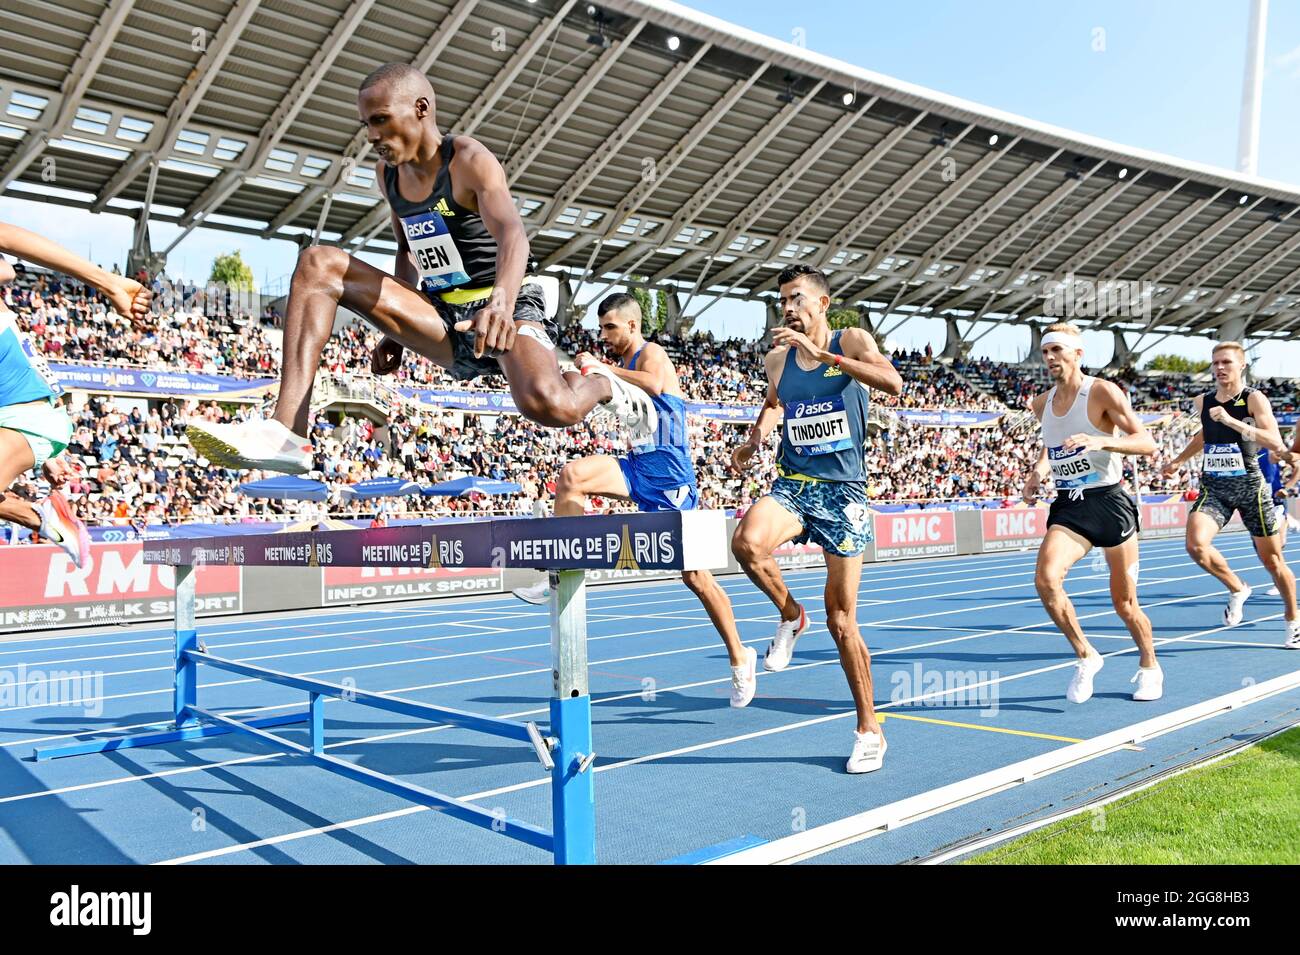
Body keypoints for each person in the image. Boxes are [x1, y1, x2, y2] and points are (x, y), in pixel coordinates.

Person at [184, 62, 656, 474]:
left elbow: (514, 234)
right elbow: (408, 250)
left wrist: (501, 304)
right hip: (442, 314)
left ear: (422, 109)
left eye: (382, 121)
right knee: (317, 263)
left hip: (504, 309)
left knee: (551, 406)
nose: (372, 136)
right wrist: (393, 331)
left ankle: (601, 383)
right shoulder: (388, 174)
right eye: (367, 124)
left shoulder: (468, 160)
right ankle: (287, 433)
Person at [511, 293, 755, 706]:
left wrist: (602, 370)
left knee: (694, 578)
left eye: (610, 327)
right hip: (635, 468)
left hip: (670, 480)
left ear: (632, 326)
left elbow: (656, 385)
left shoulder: (651, 353)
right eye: (601, 328)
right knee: (571, 477)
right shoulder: (619, 366)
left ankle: (738, 656)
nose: (604, 335)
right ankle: (557, 574)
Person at [729, 264, 902, 773]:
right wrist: (755, 437)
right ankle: (789, 613)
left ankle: (869, 729)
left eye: (797, 298)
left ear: (823, 304)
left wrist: (827, 357)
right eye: (782, 300)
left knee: (843, 622)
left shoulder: (851, 339)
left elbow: (892, 382)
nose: (788, 308)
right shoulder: (778, 360)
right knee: (746, 543)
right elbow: (773, 404)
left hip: (844, 493)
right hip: (794, 483)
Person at [1021, 323, 1162, 703]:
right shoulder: (1041, 403)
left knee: (1125, 604)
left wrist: (1100, 439)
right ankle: (1086, 655)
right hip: (1070, 505)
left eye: (1056, 351)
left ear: (1078, 354)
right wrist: (1038, 472)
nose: (1049, 358)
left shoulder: (1100, 391)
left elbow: (1146, 442)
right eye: (1045, 351)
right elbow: (1054, 444)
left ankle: (1149, 664)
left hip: (1110, 503)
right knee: (1047, 580)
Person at [0, 224, 150, 567]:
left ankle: (40, 518)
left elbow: (6, 242)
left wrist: (109, 283)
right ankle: (45, 518)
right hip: (21, 419)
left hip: (28, 416)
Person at [1161, 342, 1298, 649]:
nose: (1220, 368)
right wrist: (1178, 461)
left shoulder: (1253, 398)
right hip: (1215, 487)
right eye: (1215, 363)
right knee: (1195, 545)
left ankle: (1293, 620)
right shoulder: (1204, 401)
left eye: (1226, 362)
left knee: (1273, 561)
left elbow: (1274, 440)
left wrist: (1232, 421)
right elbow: (1203, 436)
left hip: (1251, 487)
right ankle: (1237, 587)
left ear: (1241, 366)